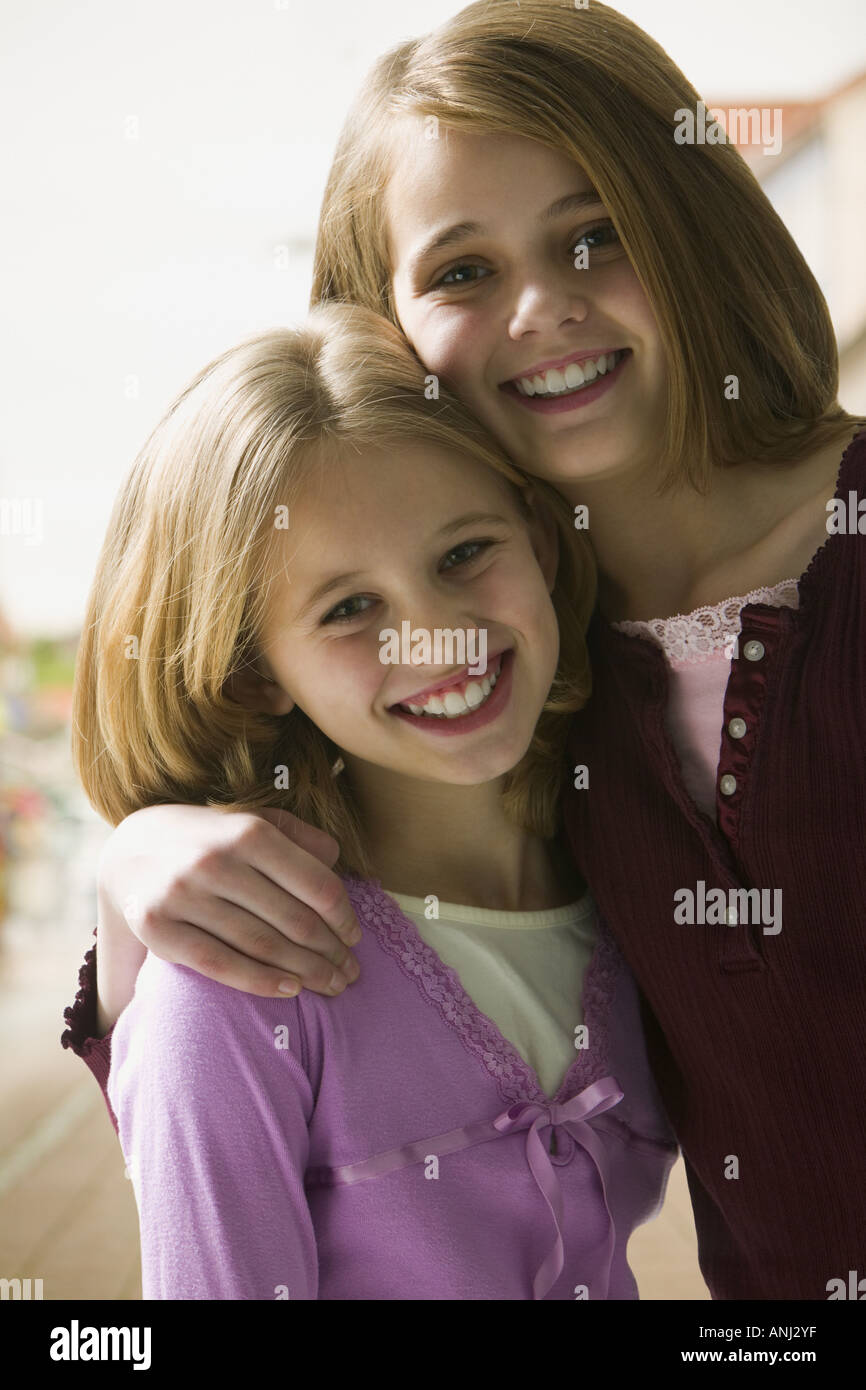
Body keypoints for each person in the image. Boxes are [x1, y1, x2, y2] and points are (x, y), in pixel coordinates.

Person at [63, 0, 866, 1298]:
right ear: (384, 327)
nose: (542, 306)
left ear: (690, 224)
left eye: (596, 233)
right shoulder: (537, 667)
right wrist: (132, 864)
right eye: (460, 270)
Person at [67, 299, 677, 1299]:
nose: (434, 635)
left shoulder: (633, 881)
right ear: (255, 676)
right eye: (350, 607)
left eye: (463, 554)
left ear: (542, 542)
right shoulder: (229, 991)